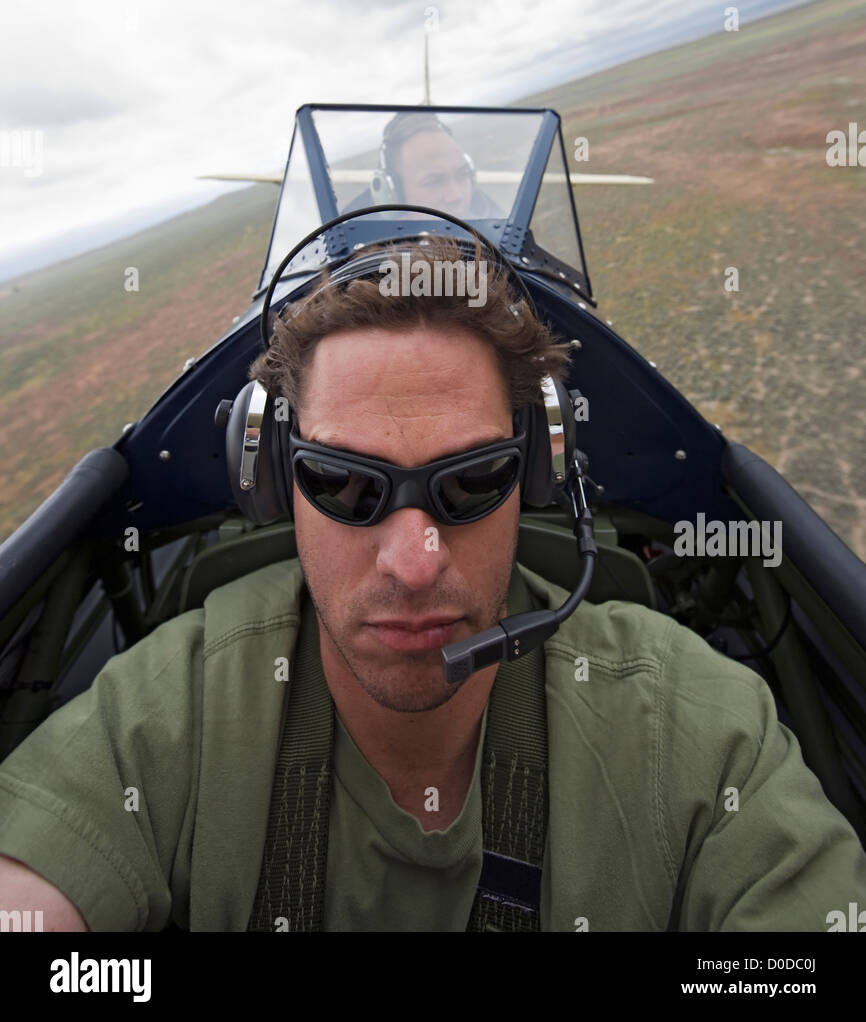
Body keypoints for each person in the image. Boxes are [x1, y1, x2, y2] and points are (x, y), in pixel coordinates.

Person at [1, 235, 866, 931]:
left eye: (470, 482)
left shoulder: (703, 733)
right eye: (344, 485)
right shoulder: (161, 716)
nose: (413, 559)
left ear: (534, 472)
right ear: (273, 484)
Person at [342, 111, 504, 219]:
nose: (456, 196)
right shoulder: (361, 263)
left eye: (463, 174)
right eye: (434, 181)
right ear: (393, 195)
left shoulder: (494, 227)